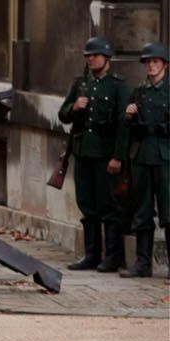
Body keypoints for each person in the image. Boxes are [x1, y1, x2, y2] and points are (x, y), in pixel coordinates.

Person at [59, 37, 132, 272]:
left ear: (107, 58)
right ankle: (91, 255)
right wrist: (74, 107)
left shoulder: (119, 86)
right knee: (86, 204)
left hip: (105, 155)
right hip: (83, 153)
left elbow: (124, 126)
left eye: (96, 55)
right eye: (88, 56)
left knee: (109, 206)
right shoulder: (80, 84)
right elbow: (63, 114)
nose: (91, 59)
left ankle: (111, 257)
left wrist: (118, 157)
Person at [121, 42, 169, 277]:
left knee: (169, 210)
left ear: (165, 65)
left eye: (155, 62)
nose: (151, 66)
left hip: (164, 157)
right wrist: (129, 116)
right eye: (148, 62)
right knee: (142, 210)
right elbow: (129, 128)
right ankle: (142, 263)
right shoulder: (139, 91)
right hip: (141, 156)